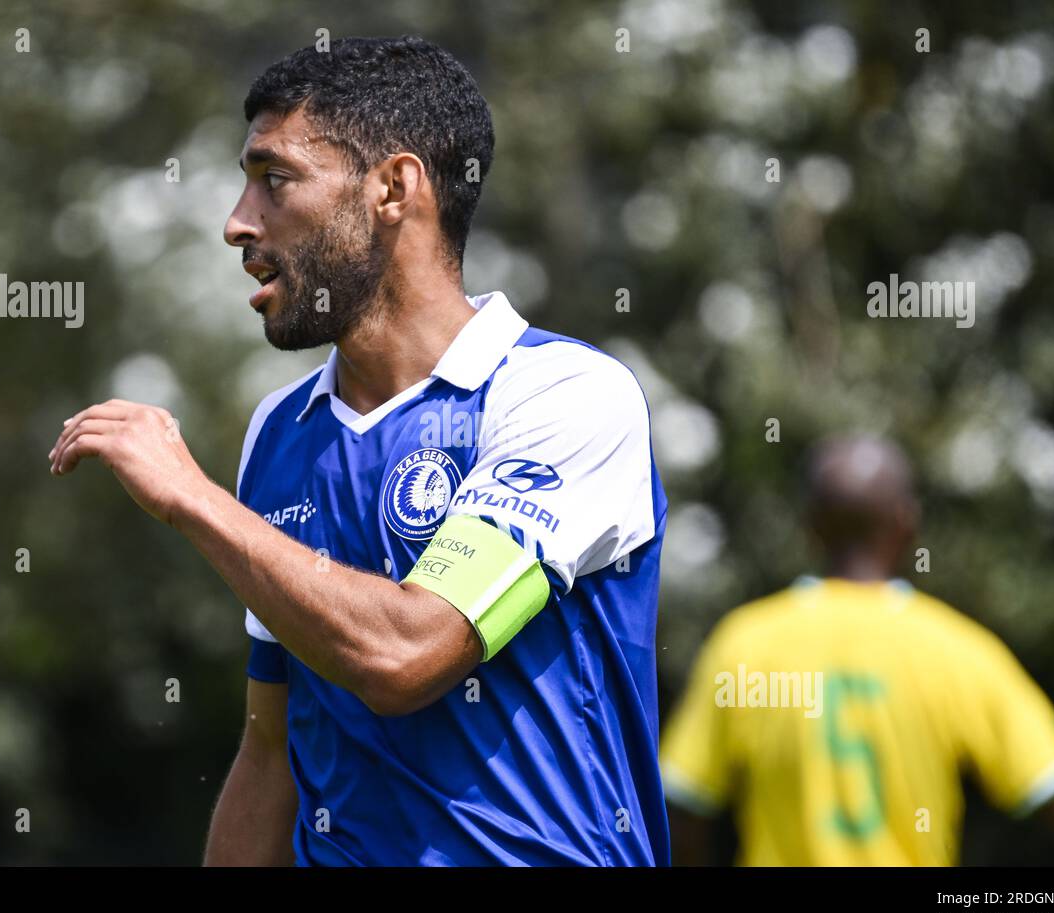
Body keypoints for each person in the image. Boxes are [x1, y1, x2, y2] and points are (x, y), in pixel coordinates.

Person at [47, 36, 669, 866]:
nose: (238, 222)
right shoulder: (282, 430)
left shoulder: (561, 396)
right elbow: (271, 751)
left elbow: (408, 654)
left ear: (393, 188)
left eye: (275, 180)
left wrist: (194, 499)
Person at [660, 435, 1054, 865]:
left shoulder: (743, 644)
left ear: (811, 524)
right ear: (907, 523)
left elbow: (680, 810)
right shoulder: (958, 649)